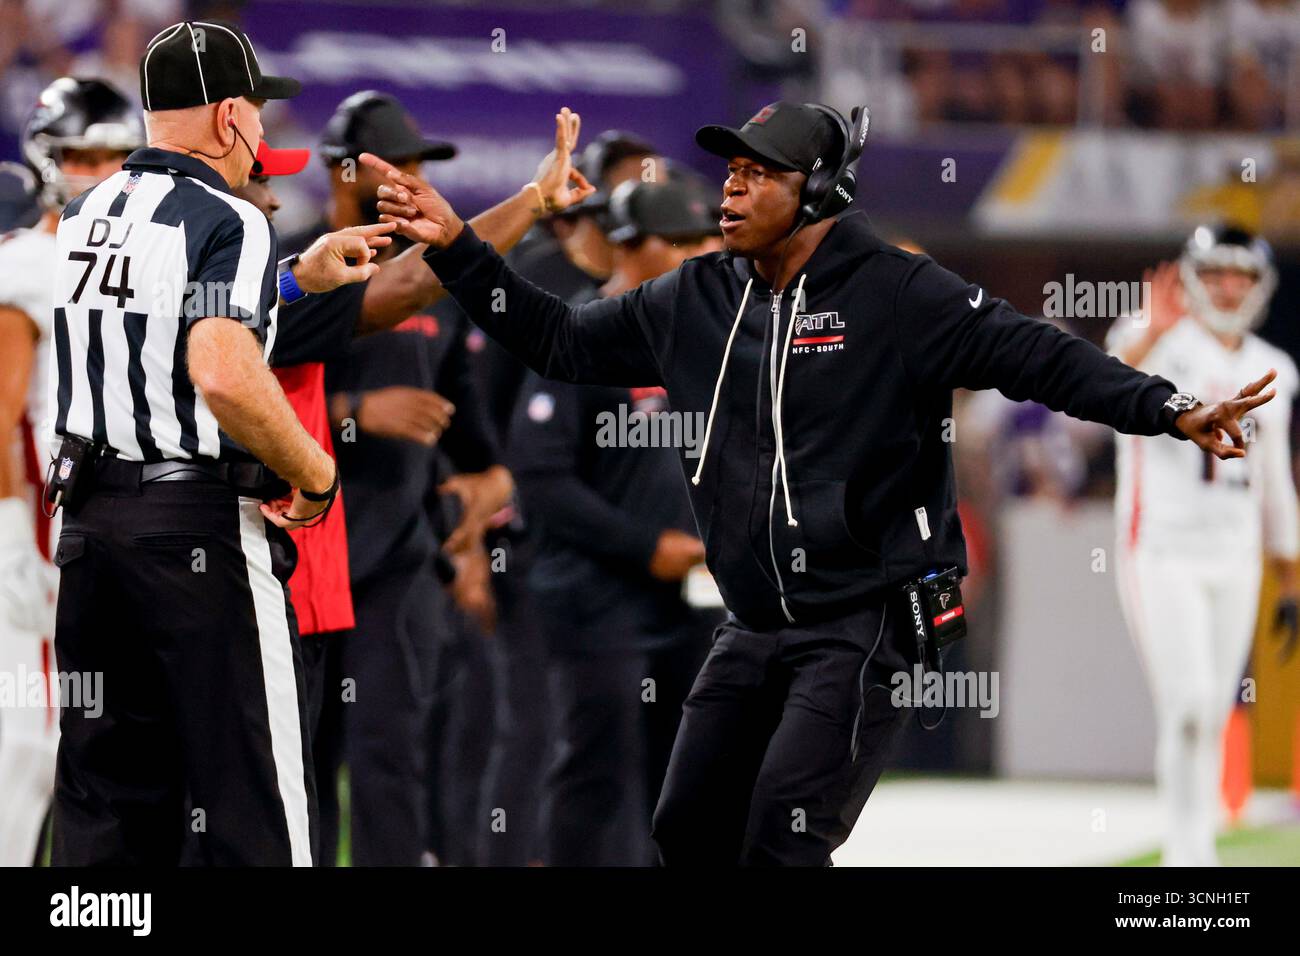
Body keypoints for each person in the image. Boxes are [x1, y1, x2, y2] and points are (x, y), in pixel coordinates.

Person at [365, 99, 1277, 865]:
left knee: (781, 840)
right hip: (755, 621)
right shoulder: (698, 297)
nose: (730, 185)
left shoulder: (897, 294)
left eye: (757, 172)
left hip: (866, 618)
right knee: (687, 831)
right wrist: (455, 246)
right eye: (729, 170)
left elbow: (1031, 353)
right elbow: (557, 338)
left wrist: (1166, 405)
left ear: (817, 193)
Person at [47, 20, 393, 866]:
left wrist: (290, 279)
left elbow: (163, 310)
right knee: (256, 810)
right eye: (260, 118)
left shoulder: (89, 213)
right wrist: (314, 472)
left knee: (108, 810)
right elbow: (223, 369)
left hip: (92, 532)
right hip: (196, 535)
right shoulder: (229, 217)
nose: (263, 136)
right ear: (233, 114)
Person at [275, 91, 593, 866]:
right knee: (300, 769)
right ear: (340, 169)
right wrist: (357, 409)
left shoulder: (440, 297)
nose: (412, 175)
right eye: (397, 161)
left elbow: (476, 441)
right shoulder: (296, 265)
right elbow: (244, 382)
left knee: (392, 759)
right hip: (302, 557)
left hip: (397, 558)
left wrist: (485, 492)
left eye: (418, 163)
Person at [509, 172, 724, 865]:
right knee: (593, 772)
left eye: (706, 239)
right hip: (595, 601)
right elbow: (541, 479)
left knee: (686, 782)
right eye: (685, 240)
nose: (703, 253)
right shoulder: (579, 337)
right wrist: (644, 547)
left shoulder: (701, 341)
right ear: (631, 246)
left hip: (688, 603)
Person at [1108, 224, 1299, 866]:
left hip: (1236, 556)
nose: (1228, 285)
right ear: (1193, 275)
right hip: (1162, 546)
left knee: (1213, 711)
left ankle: (1199, 850)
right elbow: (1103, 382)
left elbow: (1274, 484)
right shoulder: (1155, 335)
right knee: (1187, 705)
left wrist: (1289, 574)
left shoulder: (1274, 367)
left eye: (1241, 274)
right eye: (1217, 271)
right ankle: (1185, 854)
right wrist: (1154, 334)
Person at [0, 76, 142, 867]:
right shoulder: (27, 264)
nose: (97, 172)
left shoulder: (128, 263)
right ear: (49, 157)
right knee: (22, 743)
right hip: (32, 531)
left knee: (84, 741)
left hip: (97, 532)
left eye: (114, 158)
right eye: (83, 155)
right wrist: (11, 537)